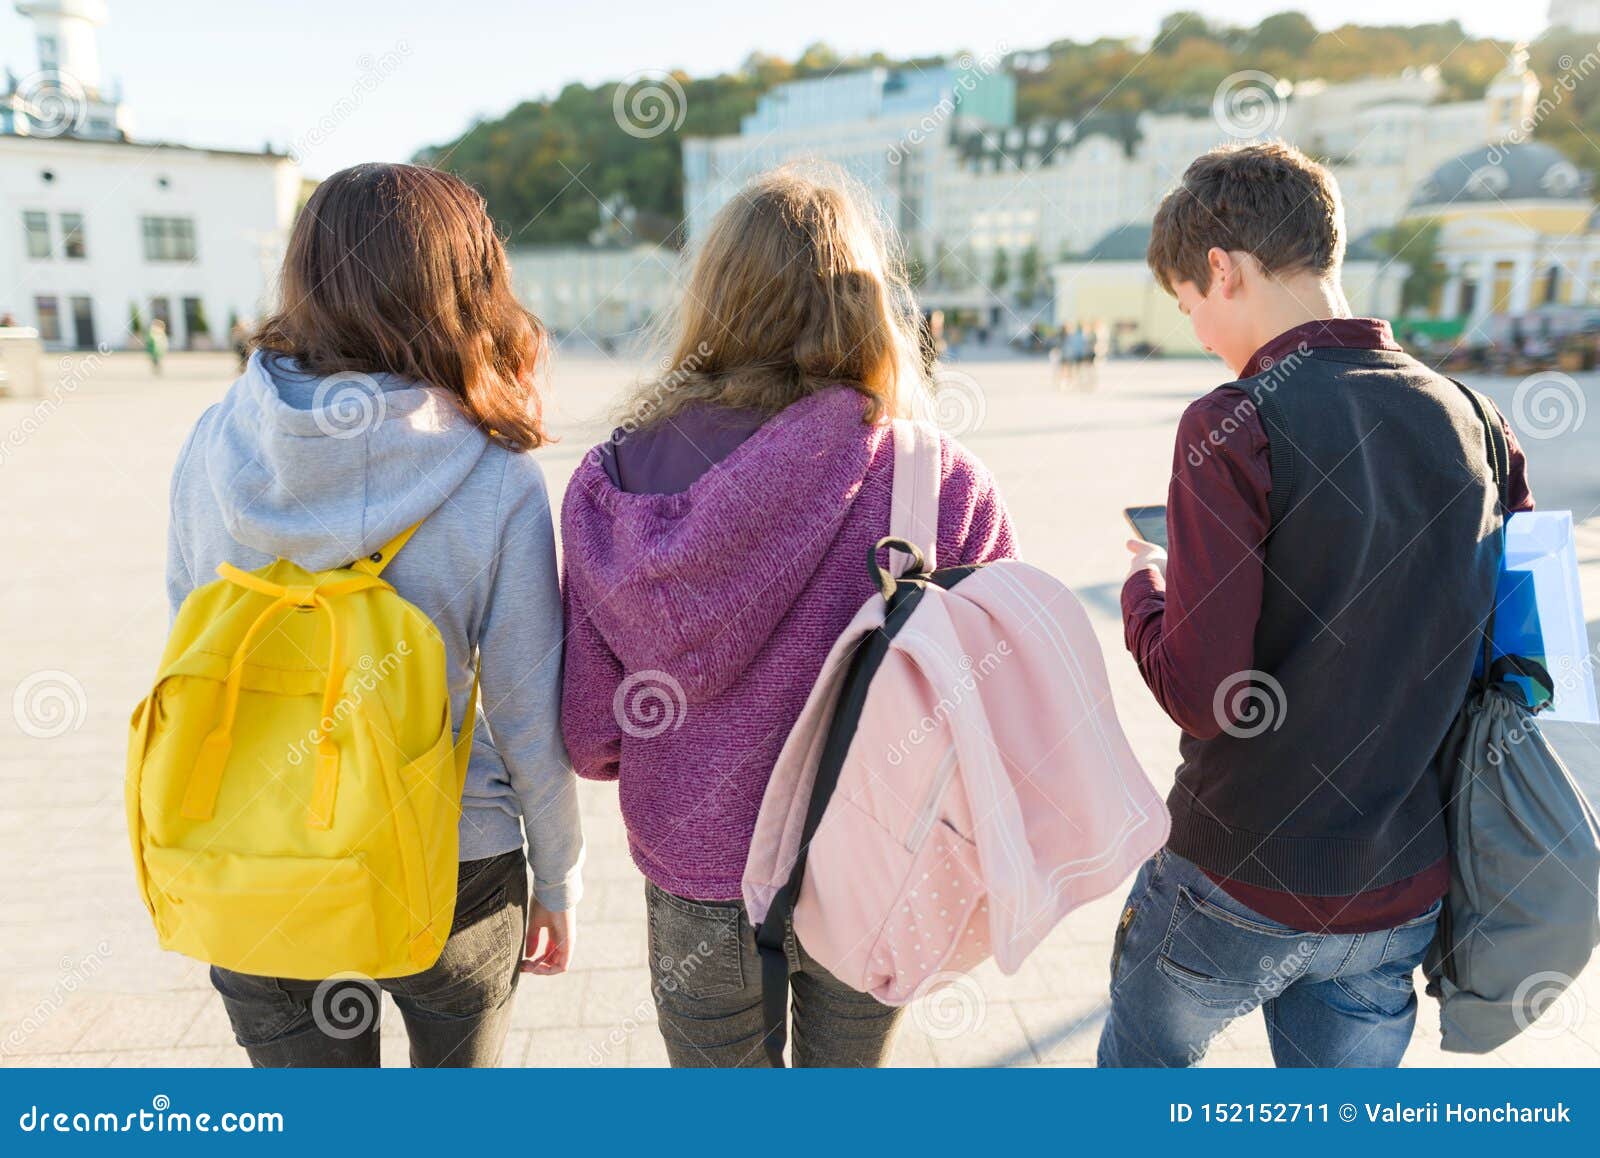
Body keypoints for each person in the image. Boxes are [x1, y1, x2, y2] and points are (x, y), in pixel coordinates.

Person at [559, 168, 1018, 1068]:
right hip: (877, 862)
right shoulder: (941, 480)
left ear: (713, 298)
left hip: (697, 871)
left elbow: (589, 738)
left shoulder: (611, 481)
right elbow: (996, 703)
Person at [1098, 142, 1534, 1068]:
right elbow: (1515, 649)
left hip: (1239, 876)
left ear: (1222, 268)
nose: (1201, 336)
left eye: (1191, 308)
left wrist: (1146, 588)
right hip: (1403, 886)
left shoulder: (1233, 421)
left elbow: (1206, 692)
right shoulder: (1474, 418)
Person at [164, 163, 583, 1067]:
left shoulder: (211, 442)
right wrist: (558, 874)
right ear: (468, 288)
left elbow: (187, 637)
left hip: (259, 853)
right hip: (449, 862)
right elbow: (524, 711)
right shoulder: (494, 475)